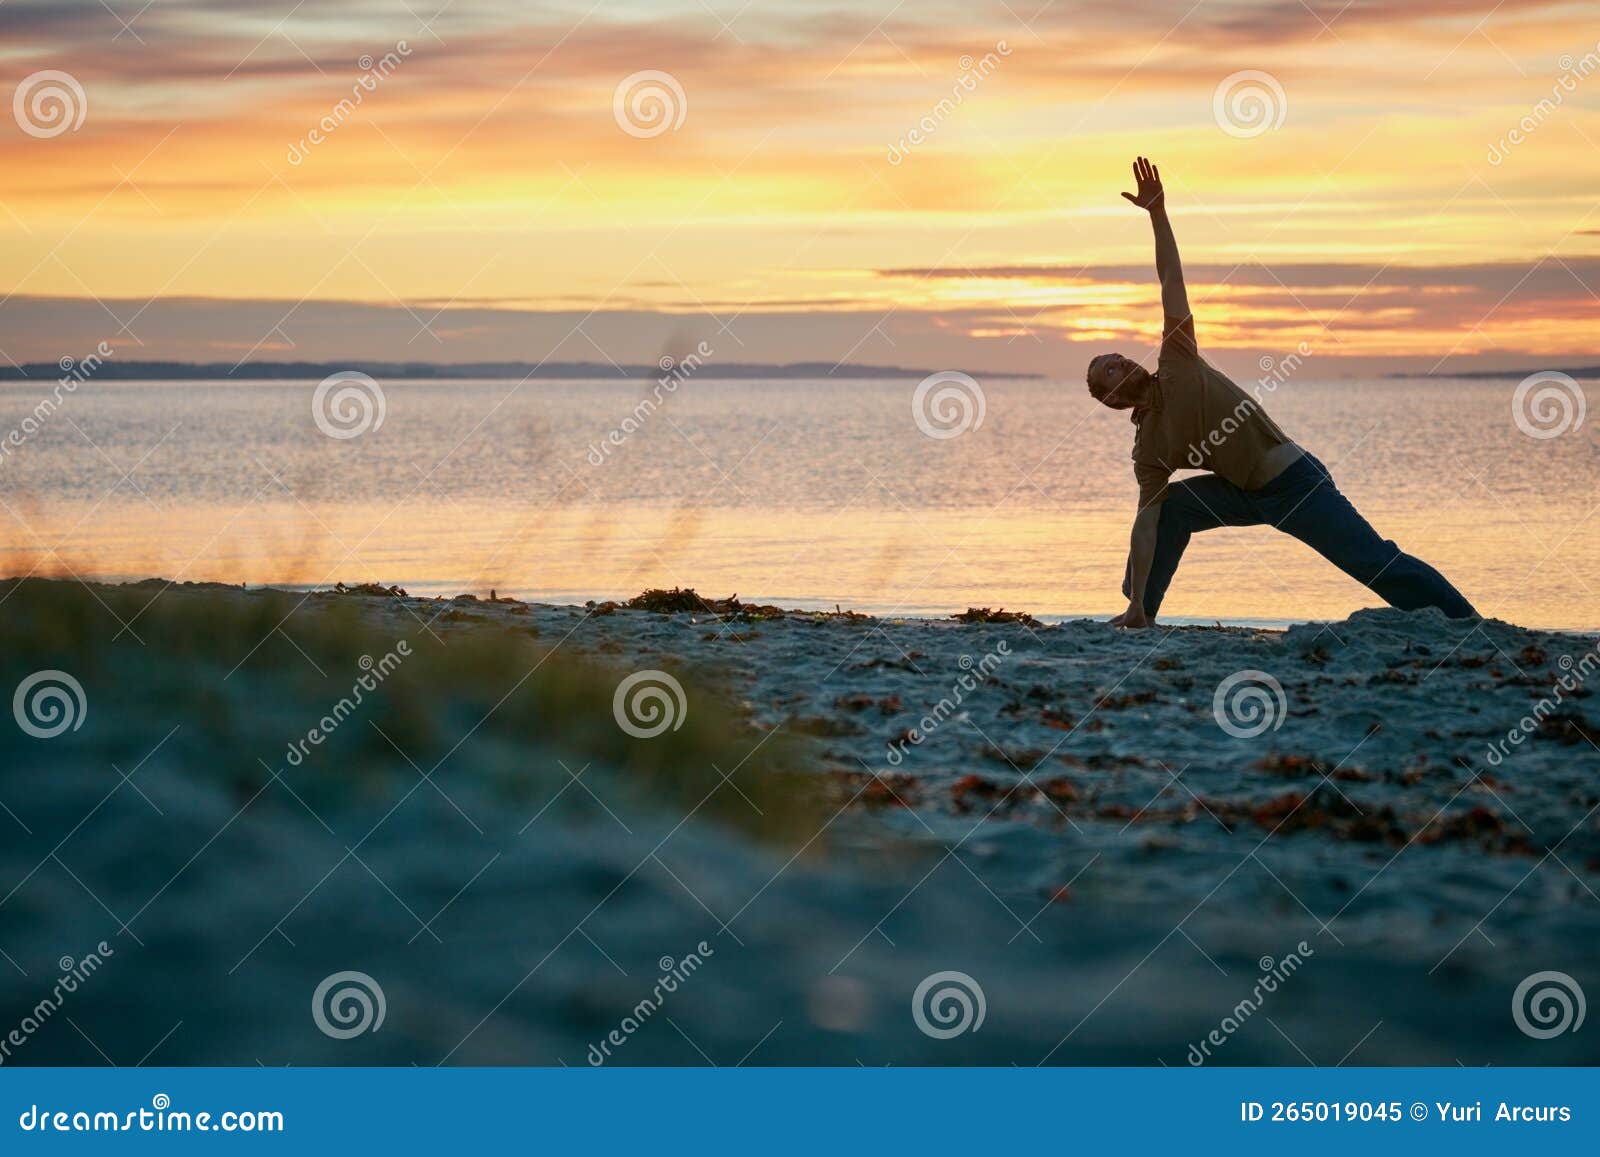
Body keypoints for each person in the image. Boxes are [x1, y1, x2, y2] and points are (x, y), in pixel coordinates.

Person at [1086, 157, 1478, 628]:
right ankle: (1141, 612)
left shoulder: (1177, 363)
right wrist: (1134, 601)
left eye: (1118, 357)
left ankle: (1465, 621)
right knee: (1167, 510)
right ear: (1111, 399)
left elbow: (1170, 278)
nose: (1122, 362)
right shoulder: (1148, 448)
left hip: (1295, 485)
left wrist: (1158, 214)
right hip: (1240, 493)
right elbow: (1146, 522)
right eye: (1109, 370)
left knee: (1372, 561)